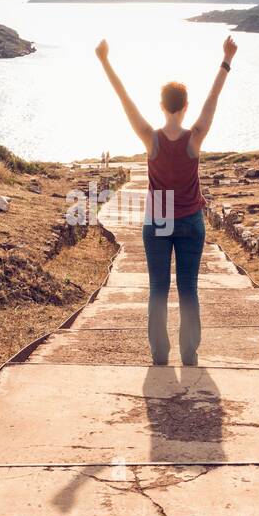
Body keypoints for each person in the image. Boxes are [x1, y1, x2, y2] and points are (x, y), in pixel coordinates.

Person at [94, 35, 237, 365]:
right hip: (190, 219)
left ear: (161, 106)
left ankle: (160, 353)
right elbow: (213, 99)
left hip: (157, 217)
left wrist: (105, 61)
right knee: (188, 288)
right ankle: (189, 353)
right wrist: (226, 61)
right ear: (185, 106)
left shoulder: (151, 139)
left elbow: (124, 99)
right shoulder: (194, 138)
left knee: (158, 288)